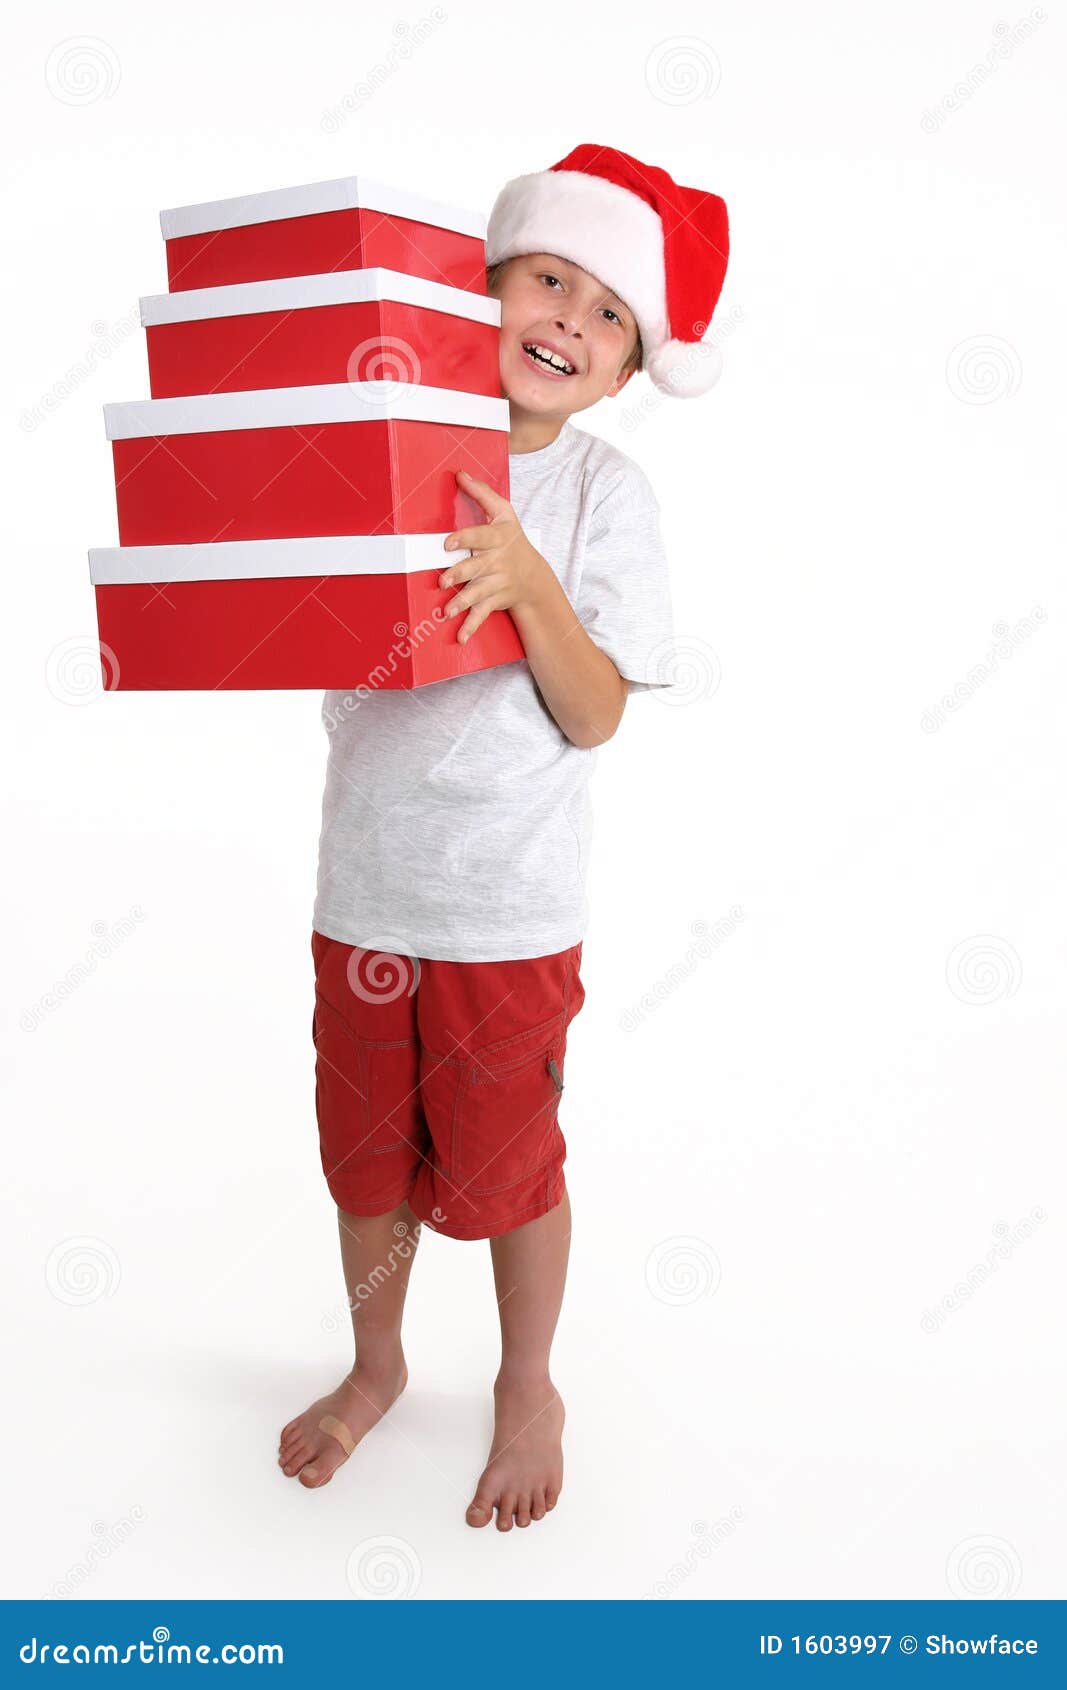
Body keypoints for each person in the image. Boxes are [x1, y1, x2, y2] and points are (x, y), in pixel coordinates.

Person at [278, 144, 730, 1530]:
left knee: (505, 1162)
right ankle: (377, 1360)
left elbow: (595, 715)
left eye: (608, 314)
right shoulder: (388, 448)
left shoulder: (606, 499)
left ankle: (527, 1380)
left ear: (629, 370)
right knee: (365, 1160)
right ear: (481, 287)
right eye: (548, 279)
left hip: (508, 913)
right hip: (366, 891)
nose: (569, 321)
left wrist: (530, 585)